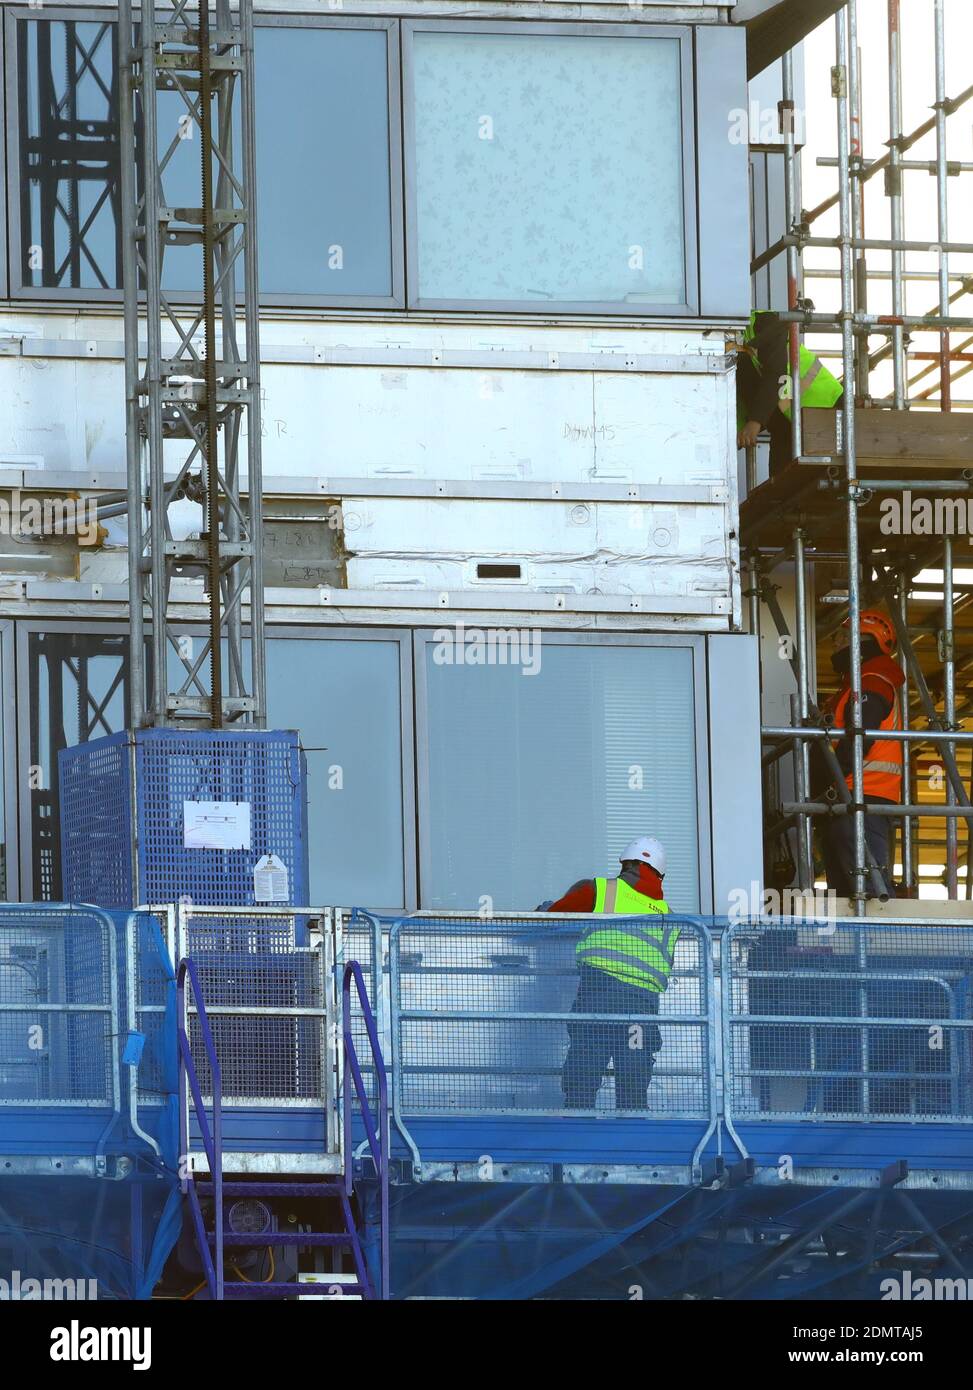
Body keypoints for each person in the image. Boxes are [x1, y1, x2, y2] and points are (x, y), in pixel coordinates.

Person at [539, 837, 679, 1111]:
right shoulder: (670, 918)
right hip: (642, 1010)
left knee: (583, 1080)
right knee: (634, 1087)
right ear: (660, 874)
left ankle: (578, 1143)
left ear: (627, 863)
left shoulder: (601, 891)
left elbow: (551, 918)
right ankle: (633, 1145)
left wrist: (544, 908)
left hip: (599, 999)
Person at [813, 609, 904, 897]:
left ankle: (879, 943)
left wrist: (830, 784)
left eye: (841, 637)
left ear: (863, 640)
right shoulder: (858, 683)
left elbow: (857, 740)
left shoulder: (872, 681)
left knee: (869, 891)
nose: (835, 643)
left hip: (861, 798)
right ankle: (859, 943)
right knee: (850, 894)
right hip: (851, 797)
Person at [736, 309, 843, 476]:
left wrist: (755, 421)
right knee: (779, 488)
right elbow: (743, 404)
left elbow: (775, 373)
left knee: (830, 479)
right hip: (789, 423)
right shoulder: (736, 355)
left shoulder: (765, 321)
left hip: (826, 406)